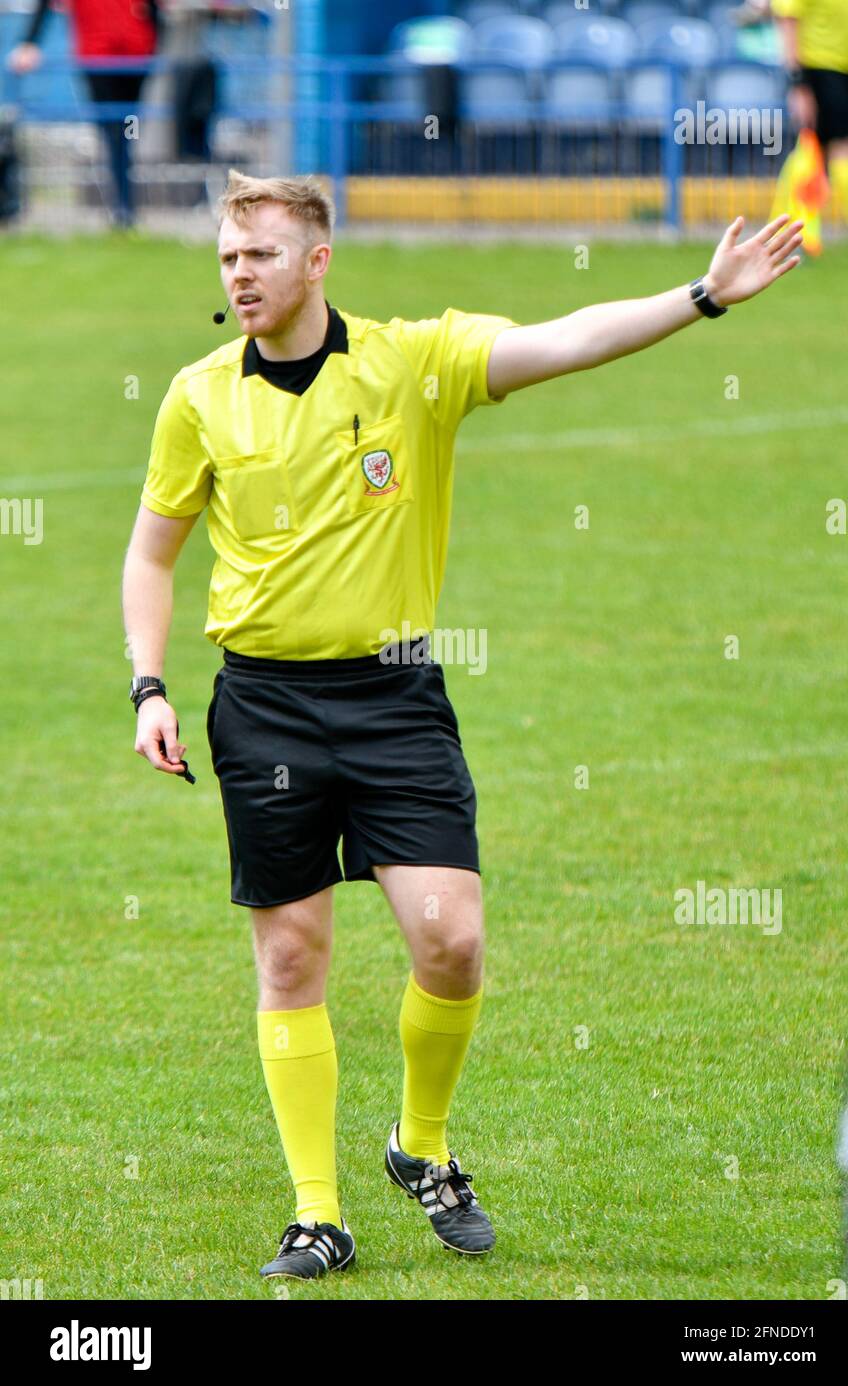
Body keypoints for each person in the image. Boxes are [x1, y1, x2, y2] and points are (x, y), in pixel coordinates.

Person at [121, 170, 803, 1282]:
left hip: (393, 697)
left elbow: (566, 338)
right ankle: (316, 1213)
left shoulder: (411, 361)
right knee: (290, 952)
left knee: (450, 939)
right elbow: (151, 552)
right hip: (264, 702)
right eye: (226, 260)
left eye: (259, 257)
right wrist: (147, 686)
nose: (238, 276)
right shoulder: (199, 395)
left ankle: (420, 1144)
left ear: (316, 261)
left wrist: (702, 296)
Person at [6, 0, 162, 228]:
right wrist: (30, 42)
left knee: (129, 129)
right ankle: (123, 206)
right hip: (98, 58)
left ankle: (125, 203)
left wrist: (155, 46)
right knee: (112, 131)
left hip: (135, 57)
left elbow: (154, 11)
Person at [768, 0, 848, 259]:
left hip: (842, 71)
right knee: (841, 149)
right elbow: (787, 20)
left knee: (812, 150)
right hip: (816, 71)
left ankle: (786, 237)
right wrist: (799, 84)